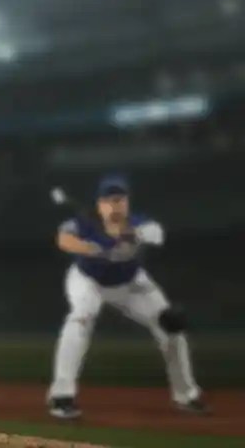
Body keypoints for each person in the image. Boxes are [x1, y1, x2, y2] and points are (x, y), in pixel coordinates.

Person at [46, 173, 207, 419]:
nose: (116, 205)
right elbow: (64, 239)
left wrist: (132, 236)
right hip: (89, 281)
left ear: (127, 203)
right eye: (110, 200)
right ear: (99, 204)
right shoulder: (84, 223)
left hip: (131, 283)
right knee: (80, 318)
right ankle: (61, 395)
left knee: (170, 326)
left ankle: (186, 394)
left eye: (120, 199)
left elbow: (156, 233)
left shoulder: (138, 223)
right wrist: (91, 248)